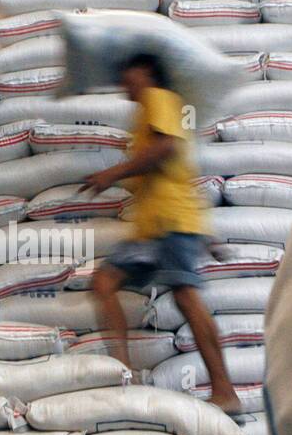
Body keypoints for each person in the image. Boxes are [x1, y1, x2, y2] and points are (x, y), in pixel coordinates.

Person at [82, 53, 242, 414]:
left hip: (171, 224)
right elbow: (178, 168)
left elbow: (166, 147)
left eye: (129, 72)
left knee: (186, 297)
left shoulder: (159, 99)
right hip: (152, 230)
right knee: (104, 283)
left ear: (147, 73)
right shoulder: (141, 120)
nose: (124, 80)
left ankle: (224, 389)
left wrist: (112, 174)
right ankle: (124, 376)